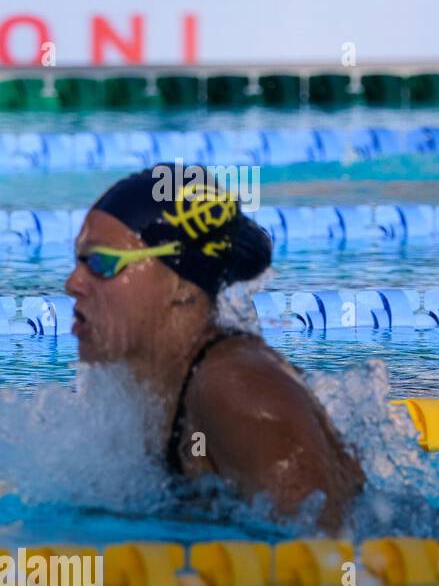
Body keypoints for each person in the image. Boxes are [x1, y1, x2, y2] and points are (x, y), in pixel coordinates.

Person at [65, 166, 363, 532]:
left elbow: (327, 556)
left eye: (102, 263)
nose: (73, 283)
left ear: (182, 286)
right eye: (78, 261)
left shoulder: (237, 391)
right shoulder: (156, 385)